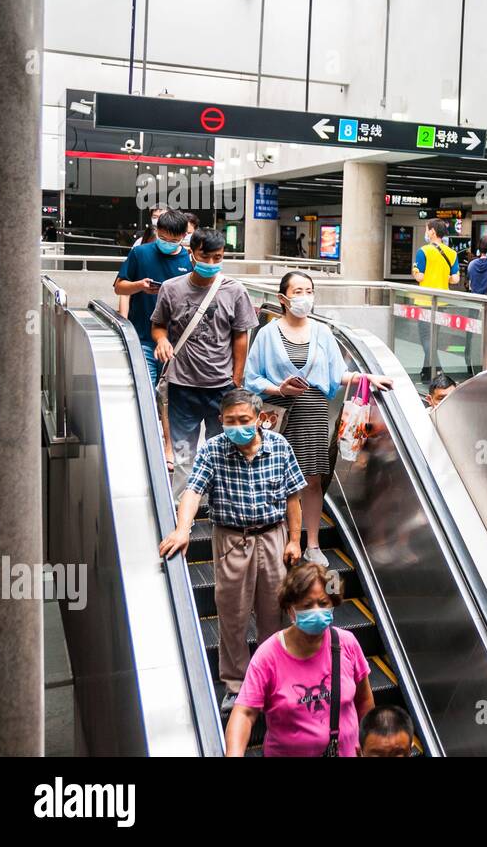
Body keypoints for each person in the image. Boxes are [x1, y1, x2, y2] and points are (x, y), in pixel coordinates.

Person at [159, 389, 307, 713]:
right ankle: (236, 685)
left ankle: (272, 678)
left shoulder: (279, 446)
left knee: (274, 613)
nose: (238, 426)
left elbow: (294, 498)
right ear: (220, 421)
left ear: (258, 419)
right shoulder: (213, 449)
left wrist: (295, 540)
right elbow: (193, 491)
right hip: (231, 540)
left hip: (272, 538)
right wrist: (183, 529)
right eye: (230, 421)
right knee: (232, 615)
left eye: (244, 420)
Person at [245, 270, 393, 567]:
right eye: (298, 291)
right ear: (282, 298)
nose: (304, 297)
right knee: (275, 478)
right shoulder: (267, 333)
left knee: (311, 479)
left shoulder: (322, 333)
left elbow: (337, 375)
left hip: (312, 408)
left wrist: (368, 377)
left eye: (308, 290)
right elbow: (251, 378)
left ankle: (311, 544)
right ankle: (282, 539)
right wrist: (278, 388)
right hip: (277, 411)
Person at [225, 562, 375, 757]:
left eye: (323, 604)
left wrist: (370, 744)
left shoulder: (346, 643)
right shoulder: (268, 655)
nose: (316, 611)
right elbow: (244, 713)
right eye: (306, 605)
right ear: (290, 609)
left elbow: (364, 700)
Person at [151, 228, 259, 474]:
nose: (211, 263)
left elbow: (240, 335)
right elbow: (158, 325)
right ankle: (183, 504)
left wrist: (236, 379)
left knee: (224, 449)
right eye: (205, 256)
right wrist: (162, 340)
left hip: (221, 385)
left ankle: (218, 501)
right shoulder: (171, 288)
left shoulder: (235, 291)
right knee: (182, 453)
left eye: (217, 257)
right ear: (192, 254)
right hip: (182, 385)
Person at [113, 209, 194, 386]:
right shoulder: (140, 253)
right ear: (157, 231)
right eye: (163, 238)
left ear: (183, 236)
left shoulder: (189, 261)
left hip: (175, 342)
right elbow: (119, 287)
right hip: (142, 337)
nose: (167, 243)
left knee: (169, 395)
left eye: (174, 241)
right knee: (145, 390)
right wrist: (139, 285)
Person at [412, 219, 460, 288]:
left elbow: (419, 277)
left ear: (432, 232)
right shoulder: (453, 253)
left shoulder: (423, 251)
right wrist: (446, 278)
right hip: (442, 296)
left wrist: (414, 271)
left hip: (425, 296)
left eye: (427, 230)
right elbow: (455, 279)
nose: (426, 232)